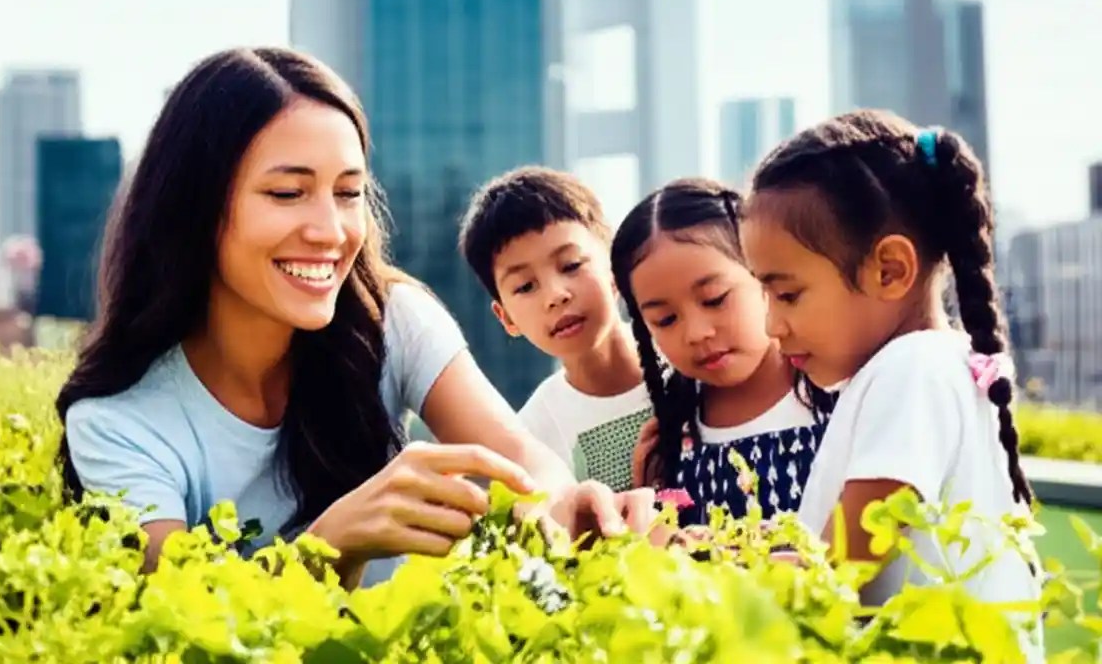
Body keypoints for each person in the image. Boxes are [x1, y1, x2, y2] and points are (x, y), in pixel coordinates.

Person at [55, 47, 653, 589]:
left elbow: (521, 460)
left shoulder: (391, 318)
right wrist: (330, 545)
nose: (331, 232)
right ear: (195, 209)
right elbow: (179, 619)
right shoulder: (119, 422)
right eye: (288, 194)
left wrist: (566, 506)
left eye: (347, 193)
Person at [739, 109, 1043, 656]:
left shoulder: (911, 371)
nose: (770, 325)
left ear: (890, 270)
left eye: (787, 295)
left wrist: (698, 575)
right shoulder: (931, 365)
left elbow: (833, 576)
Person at [611, 178, 833, 527]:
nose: (697, 333)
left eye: (715, 299)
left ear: (762, 273)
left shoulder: (838, 392)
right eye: (666, 319)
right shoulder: (670, 442)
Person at [458, 166, 650, 492]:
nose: (555, 295)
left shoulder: (689, 360)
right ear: (506, 319)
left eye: (571, 265)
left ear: (614, 266)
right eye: (525, 287)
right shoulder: (532, 434)